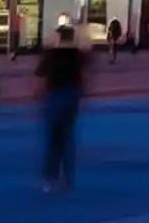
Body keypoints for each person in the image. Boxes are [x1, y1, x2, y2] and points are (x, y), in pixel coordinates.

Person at [36, 26, 87, 193]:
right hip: (71, 97)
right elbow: (84, 74)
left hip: (55, 96)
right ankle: (68, 178)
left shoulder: (52, 54)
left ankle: (51, 177)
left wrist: (39, 95)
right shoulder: (77, 55)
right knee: (67, 137)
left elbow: (40, 75)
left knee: (53, 139)